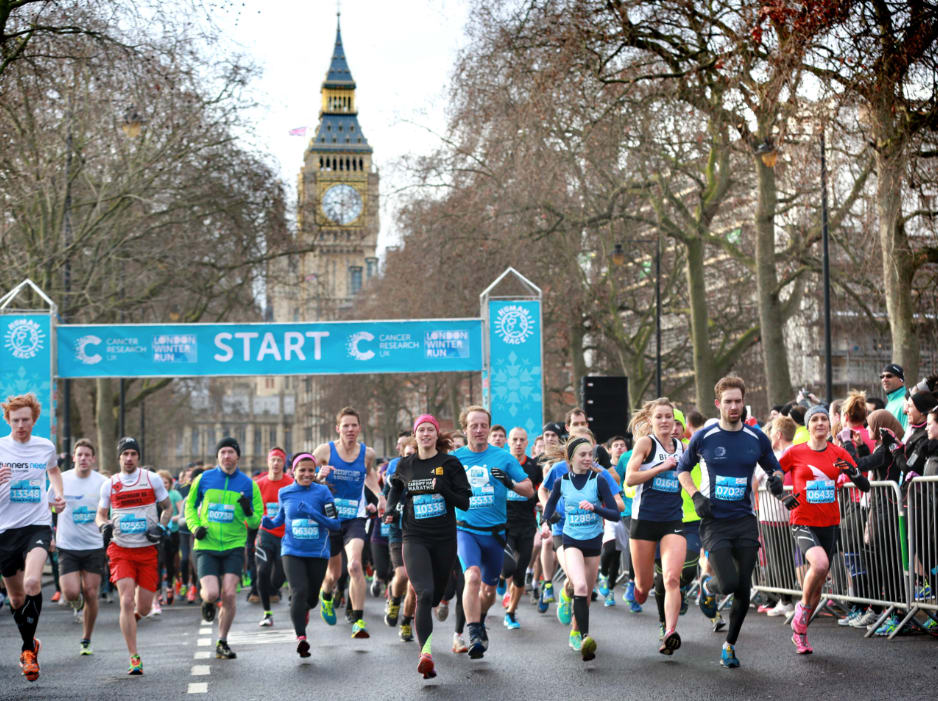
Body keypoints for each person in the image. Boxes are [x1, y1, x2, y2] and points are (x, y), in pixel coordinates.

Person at [677, 376, 785, 669]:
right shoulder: (705, 436)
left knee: (742, 588)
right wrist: (696, 495)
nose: (734, 406)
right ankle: (708, 589)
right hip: (715, 521)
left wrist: (777, 481)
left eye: (738, 401)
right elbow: (682, 469)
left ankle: (729, 646)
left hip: (744, 520)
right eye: (728, 402)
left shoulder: (756, 437)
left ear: (743, 402)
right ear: (718, 404)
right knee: (727, 583)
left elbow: (775, 468)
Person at [778, 405, 870, 654]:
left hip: (829, 523)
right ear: (808, 426)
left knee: (818, 586)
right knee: (819, 565)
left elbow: (865, 485)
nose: (820, 423)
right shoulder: (795, 452)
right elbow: (773, 474)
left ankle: (800, 633)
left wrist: (852, 471)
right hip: (802, 520)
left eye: (824, 419)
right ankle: (802, 611)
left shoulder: (838, 453)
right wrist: (782, 496)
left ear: (829, 425)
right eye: (815, 419)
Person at [386, 415, 471, 679]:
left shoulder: (450, 463)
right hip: (414, 536)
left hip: (444, 538)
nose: (425, 434)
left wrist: (443, 489)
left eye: (430, 430)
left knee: (435, 595)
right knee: (423, 593)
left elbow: (465, 503)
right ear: (415, 435)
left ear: (436, 435)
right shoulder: (406, 464)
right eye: (421, 430)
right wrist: (390, 509)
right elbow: (395, 490)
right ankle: (426, 654)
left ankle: (427, 631)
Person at [453, 405, 533, 658]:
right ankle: (474, 630)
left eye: (483, 425)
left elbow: (529, 489)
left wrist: (510, 483)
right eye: (473, 426)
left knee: (489, 591)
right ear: (465, 429)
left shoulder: (503, 458)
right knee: (472, 577)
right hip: (466, 530)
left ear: (489, 428)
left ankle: (481, 616)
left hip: (496, 534)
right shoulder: (454, 459)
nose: (479, 430)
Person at [0, 394, 65, 682]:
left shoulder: (45, 447)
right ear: (8, 421)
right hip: (4, 530)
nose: (21, 425)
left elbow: (53, 471)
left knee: (31, 583)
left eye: (26, 420)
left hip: (37, 524)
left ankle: (28, 650)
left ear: (34, 420)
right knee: (15, 599)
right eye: (16, 421)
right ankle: (31, 641)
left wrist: (58, 495)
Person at [96, 437, 172, 675]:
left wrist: (160, 526)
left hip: (147, 550)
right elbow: (100, 514)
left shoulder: (152, 479)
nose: (129, 458)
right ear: (119, 458)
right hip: (120, 550)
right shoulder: (110, 484)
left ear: (138, 457)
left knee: (145, 607)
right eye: (125, 454)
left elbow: (168, 507)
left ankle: (132, 619)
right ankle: (134, 657)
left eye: (133, 454)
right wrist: (103, 526)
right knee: (126, 600)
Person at [542, 436, 620, 661]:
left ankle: (577, 630)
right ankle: (585, 637)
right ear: (571, 458)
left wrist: (596, 508)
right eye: (583, 455)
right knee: (581, 585)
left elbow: (614, 513)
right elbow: (548, 508)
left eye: (590, 455)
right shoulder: (561, 481)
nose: (588, 459)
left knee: (585, 594)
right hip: (571, 540)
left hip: (594, 541)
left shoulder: (599, 480)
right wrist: (545, 524)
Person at [185, 437, 262, 660]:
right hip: (206, 544)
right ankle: (207, 602)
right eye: (222, 452)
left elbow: (256, 522)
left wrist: (248, 511)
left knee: (228, 595)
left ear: (238, 456)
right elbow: (189, 507)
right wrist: (195, 526)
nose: (226, 456)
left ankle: (222, 641)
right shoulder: (204, 479)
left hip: (234, 546)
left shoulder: (249, 485)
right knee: (211, 593)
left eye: (231, 452)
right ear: (217, 456)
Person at [313, 407, 384, 639]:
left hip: (355, 517)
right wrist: (318, 476)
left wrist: (380, 494)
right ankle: (326, 594)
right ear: (338, 428)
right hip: (331, 518)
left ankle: (358, 619)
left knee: (354, 566)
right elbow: (304, 476)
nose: (350, 429)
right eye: (346, 425)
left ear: (359, 428)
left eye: (354, 425)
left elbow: (369, 473)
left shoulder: (367, 453)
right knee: (333, 574)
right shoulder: (324, 450)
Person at [261, 453, 341, 658]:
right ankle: (301, 639)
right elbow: (280, 518)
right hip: (291, 550)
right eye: (302, 470)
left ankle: (305, 609)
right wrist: (269, 523)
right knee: (299, 590)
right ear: (293, 472)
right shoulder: (285, 492)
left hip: (318, 552)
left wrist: (313, 513)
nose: (306, 474)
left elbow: (335, 524)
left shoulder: (323, 492)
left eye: (310, 470)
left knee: (311, 599)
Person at [625, 398, 687, 655]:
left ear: (675, 422)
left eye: (668, 417)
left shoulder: (683, 447)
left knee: (672, 578)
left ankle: (670, 632)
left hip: (672, 520)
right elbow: (630, 478)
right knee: (645, 583)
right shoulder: (646, 443)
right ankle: (639, 590)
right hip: (644, 521)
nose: (664, 421)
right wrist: (661, 467)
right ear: (651, 420)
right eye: (659, 417)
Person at [53, 439, 108, 654]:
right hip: (67, 544)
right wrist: (55, 511)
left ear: (93, 459)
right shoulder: (62, 479)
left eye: (87, 455)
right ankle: (76, 603)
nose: (83, 458)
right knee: (71, 592)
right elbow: (49, 506)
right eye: (80, 454)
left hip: (94, 545)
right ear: (74, 457)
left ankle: (86, 637)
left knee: (91, 593)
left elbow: (111, 511)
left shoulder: (103, 482)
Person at [501, 426, 542, 629]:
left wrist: (543, 503)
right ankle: (502, 582)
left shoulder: (534, 467)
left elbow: (542, 492)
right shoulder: (501, 463)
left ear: (528, 443)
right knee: (507, 568)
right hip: (504, 525)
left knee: (519, 572)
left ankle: (511, 613)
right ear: (509, 441)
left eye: (522, 440)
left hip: (527, 525)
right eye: (514, 439)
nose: (518, 443)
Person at [255, 447, 293, 627]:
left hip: (286, 535)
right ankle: (267, 613)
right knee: (262, 571)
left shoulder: (291, 483)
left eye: (279, 460)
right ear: (268, 462)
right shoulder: (259, 484)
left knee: (277, 579)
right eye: (273, 460)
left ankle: (275, 589)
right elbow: (253, 510)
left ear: (284, 462)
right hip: (266, 534)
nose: (276, 463)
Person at [536, 421, 564, 610]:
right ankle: (546, 585)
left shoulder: (565, 459)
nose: (550, 438)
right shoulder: (537, 459)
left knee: (555, 557)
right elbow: (538, 488)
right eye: (547, 435)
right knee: (545, 542)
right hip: (544, 510)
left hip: (565, 510)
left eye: (553, 435)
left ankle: (544, 584)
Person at [154, 469, 183, 613]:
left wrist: (170, 519)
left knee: (170, 562)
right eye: (160, 482)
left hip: (173, 532)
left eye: (165, 482)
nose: (163, 485)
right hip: (158, 534)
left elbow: (181, 513)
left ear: (170, 483)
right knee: (158, 562)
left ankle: (170, 587)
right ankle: (158, 592)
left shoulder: (174, 494)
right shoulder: (154, 496)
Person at [881, 363, 908, 430]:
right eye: (882, 376)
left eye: (889, 376)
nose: (884, 379)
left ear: (900, 379)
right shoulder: (891, 402)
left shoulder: (905, 401)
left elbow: (907, 434)